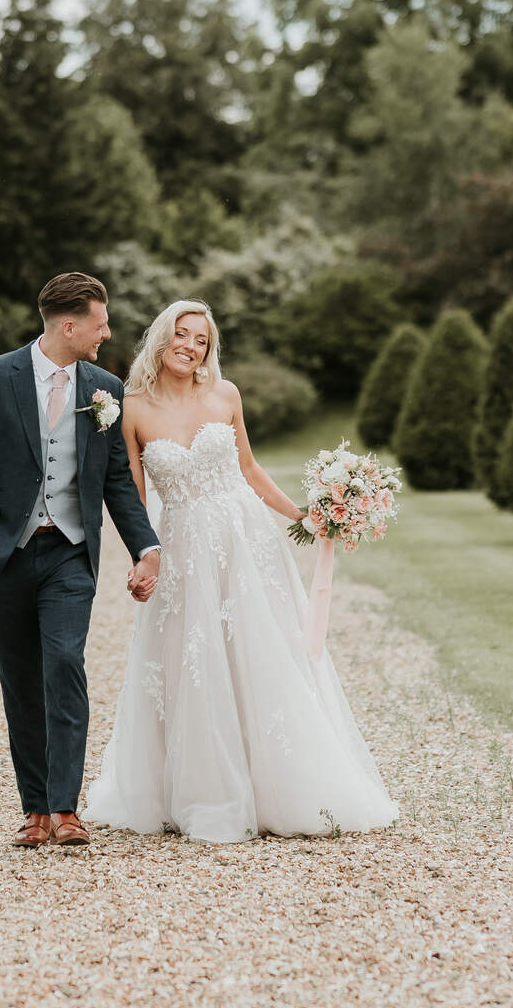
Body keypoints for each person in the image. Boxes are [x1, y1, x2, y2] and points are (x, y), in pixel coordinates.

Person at [84, 299, 397, 843]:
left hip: (244, 541)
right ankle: (203, 790)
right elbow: (132, 497)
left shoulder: (225, 396)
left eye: (201, 340)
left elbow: (249, 469)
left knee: (261, 653)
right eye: (181, 335)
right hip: (180, 545)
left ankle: (279, 784)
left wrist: (306, 515)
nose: (190, 346)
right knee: (191, 661)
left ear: (210, 349)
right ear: (162, 338)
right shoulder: (131, 408)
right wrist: (142, 556)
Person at [0, 272, 161, 848]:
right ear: (69, 325)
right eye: (100, 322)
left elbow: (116, 480)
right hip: (2, 557)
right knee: (20, 679)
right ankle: (34, 810)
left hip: (69, 552)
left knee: (64, 664)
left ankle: (66, 810)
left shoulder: (103, 387)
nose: (107, 331)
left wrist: (147, 545)